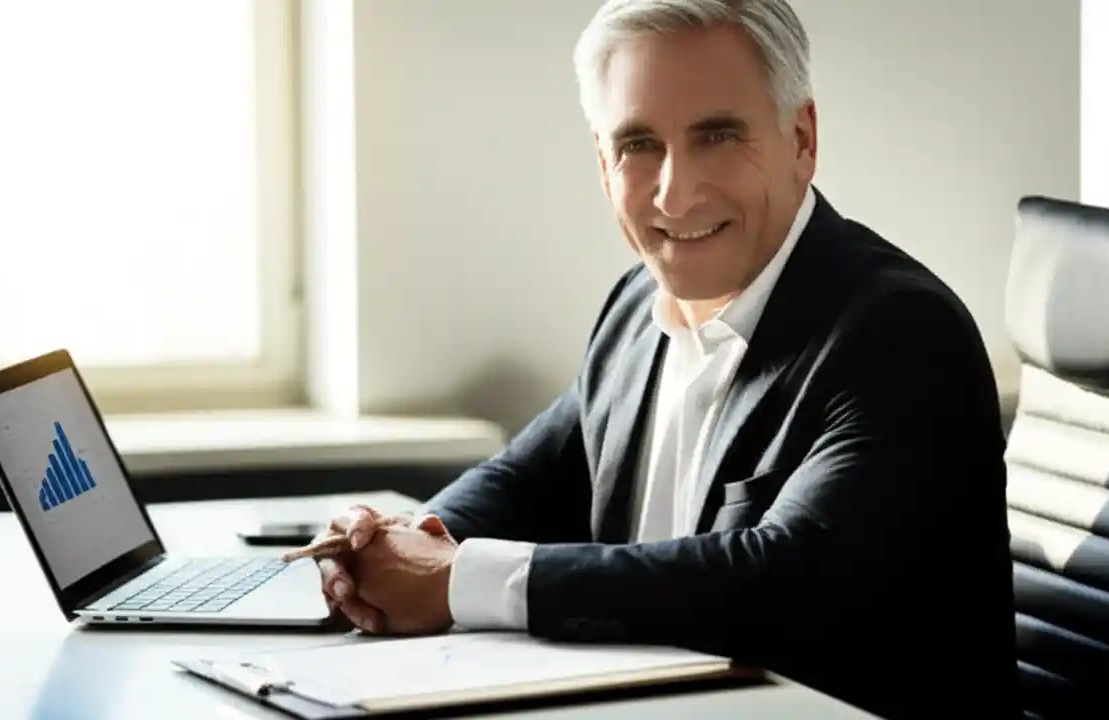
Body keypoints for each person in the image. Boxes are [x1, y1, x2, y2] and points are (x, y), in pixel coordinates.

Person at [312, 1, 1017, 717]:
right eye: (639, 144)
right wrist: (390, 549)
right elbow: (523, 479)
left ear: (801, 138)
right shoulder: (633, 307)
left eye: (716, 136)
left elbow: (787, 582)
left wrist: (457, 578)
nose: (675, 191)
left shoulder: (899, 331)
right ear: (602, 161)